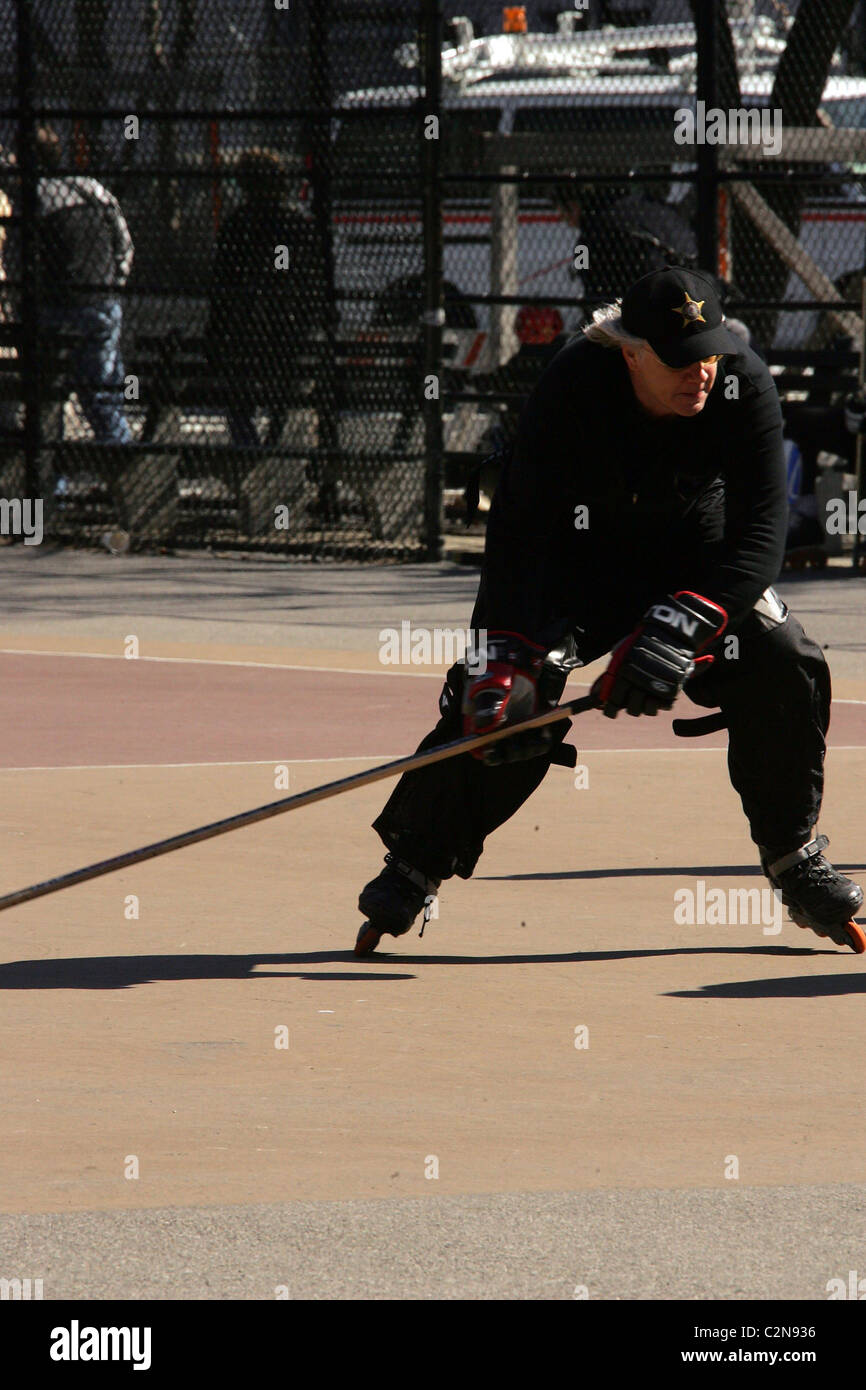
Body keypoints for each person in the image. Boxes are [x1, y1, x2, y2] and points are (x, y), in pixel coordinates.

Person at [353, 266, 864, 957]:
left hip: (698, 564)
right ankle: (416, 859)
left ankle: (791, 854)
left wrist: (682, 625)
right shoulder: (574, 383)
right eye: (681, 360)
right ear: (631, 350)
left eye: (710, 353)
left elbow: (762, 534)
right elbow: (517, 532)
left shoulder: (744, 382)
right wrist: (500, 650)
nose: (702, 373)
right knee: (506, 699)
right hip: (578, 564)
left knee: (783, 657)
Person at [207, 148, 323, 450]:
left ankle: (251, 448)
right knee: (287, 390)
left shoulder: (238, 225)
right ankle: (273, 447)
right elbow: (307, 275)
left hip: (244, 333)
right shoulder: (295, 224)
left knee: (238, 392)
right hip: (288, 331)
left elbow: (222, 283)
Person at [35, 124, 134, 445]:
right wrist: (114, 284)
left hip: (58, 306)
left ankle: (54, 485)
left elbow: (20, 256)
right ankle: (121, 460)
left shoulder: (34, 197)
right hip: (102, 299)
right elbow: (123, 242)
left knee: (50, 398)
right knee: (103, 393)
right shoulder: (91, 188)